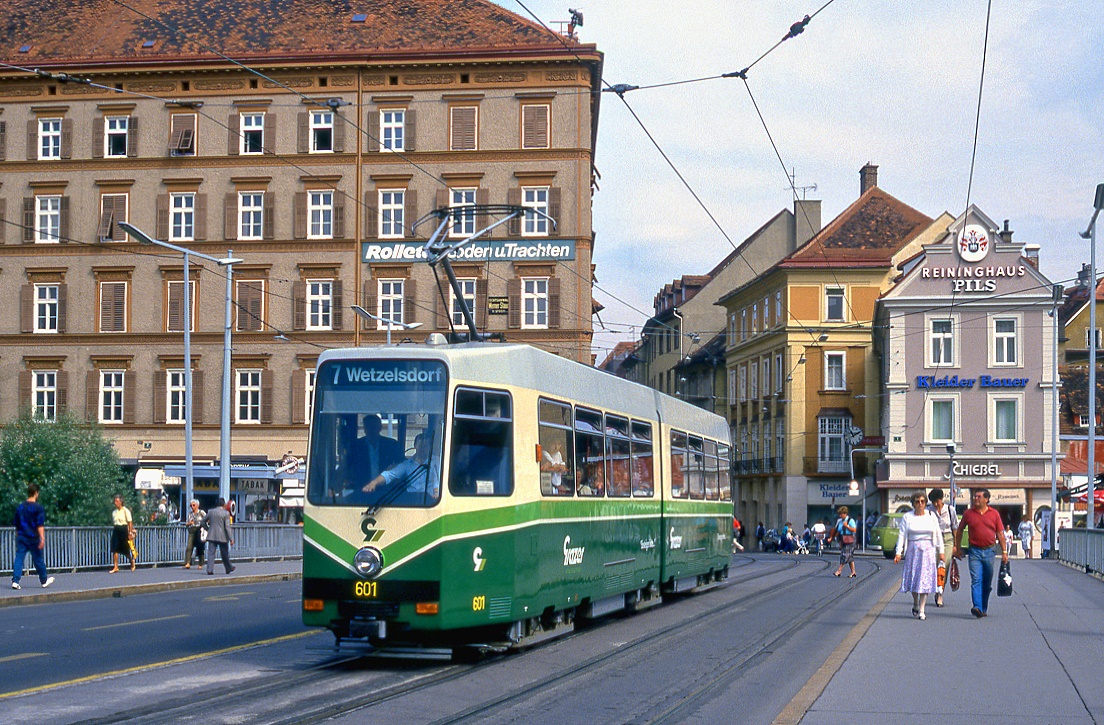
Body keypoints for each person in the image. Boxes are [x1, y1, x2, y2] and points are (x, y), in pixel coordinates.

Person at [954, 488, 1009, 618]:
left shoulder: (994, 514)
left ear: (986, 499)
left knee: (986, 581)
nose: (976, 499)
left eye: (979, 497)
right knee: (976, 579)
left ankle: (983, 607)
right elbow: (960, 530)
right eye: (975, 496)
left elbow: (1000, 533)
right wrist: (957, 547)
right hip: (974, 551)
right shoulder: (968, 513)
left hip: (989, 551)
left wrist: (1004, 552)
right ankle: (977, 607)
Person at [895, 491, 944, 620]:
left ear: (925, 503)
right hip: (913, 550)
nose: (920, 504)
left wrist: (941, 551)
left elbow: (938, 534)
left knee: (925, 579)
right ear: (913, 504)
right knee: (914, 579)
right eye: (917, 502)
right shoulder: (907, 517)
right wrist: (898, 552)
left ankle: (922, 609)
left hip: (928, 551)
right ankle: (915, 602)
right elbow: (902, 535)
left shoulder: (931, 516)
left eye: (922, 501)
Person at [362, 433, 440, 502]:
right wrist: (373, 483)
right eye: (420, 446)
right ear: (415, 446)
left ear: (430, 447)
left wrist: (436, 492)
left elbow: (438, 481)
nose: (422, 449)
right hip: (412, 502)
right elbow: (389, 475)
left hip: (431, 502)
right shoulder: (407, 465)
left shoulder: (437, 462)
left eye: (425, 446)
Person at [342, 414, 404, 498]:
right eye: (368, 427)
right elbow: (346, 467)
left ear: (380, 428)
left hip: (387, 492)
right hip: (362, 491)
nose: (371, 429)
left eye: (374, 427)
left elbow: (402, 466)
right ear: (364, 429)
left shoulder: (391, 445)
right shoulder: (355, 446)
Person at [11, 483, 55, 590]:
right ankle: (43, 580)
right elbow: (40, 524)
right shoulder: (38, 508)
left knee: (19, 558)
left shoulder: (21, 507)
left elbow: (17, 522)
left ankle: (15, 581)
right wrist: (42, 538)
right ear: (36, 493)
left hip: (22, 536)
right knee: (38, 559)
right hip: (33, 537)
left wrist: (18, 534)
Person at [926, 488, 957, 607]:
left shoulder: (950, 510)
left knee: (945, 566)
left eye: (937, 501)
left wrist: (956, 545)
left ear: (941, 499)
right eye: (933, 502)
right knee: (934, 566)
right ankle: (933, 588)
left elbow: (955, 527)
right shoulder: (929, 511)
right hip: (933, 540)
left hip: (948, 539)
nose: (935, 504)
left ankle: (940, 593)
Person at [204, 498, 236, 575]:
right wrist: (231, 538)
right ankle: (228, 567)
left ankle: (209, 569)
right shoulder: (226, 513)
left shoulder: (211, 512)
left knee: (211, 553)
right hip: (222, 536)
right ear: (224, 504)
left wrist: (207, 528)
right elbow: (227, 527)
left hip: (212, 535)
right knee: (224, 553)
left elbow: (202, 521)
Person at [109, 495, 135, 573]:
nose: (115, 503)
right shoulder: (114, 512)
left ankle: (131, 562)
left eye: (117, 501)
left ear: (121, 502)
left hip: (123, 529)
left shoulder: (125, 511)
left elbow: (130, 522)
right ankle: (116, 567)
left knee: (125, 549)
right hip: (116, 529)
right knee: (114, 548)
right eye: (115, 501)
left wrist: (130, 532)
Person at [831, 506, 858, 577]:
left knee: (844, 554)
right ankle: (853, 572)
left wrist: (847, 526)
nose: (840, 516)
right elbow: (838, 530)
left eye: (841, 514)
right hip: (843, 539)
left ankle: (839, 571)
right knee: (849, 556)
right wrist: (832, 538)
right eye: (839, 514)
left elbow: (854, 530)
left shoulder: (850, 520)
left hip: (850, 540)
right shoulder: (840, 521)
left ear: (845, 513)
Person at [182, 500, 206, 569]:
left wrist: (203, 524)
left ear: (197, 505)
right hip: (192, 530)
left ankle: (201, 563)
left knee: (200, 547)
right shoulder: (190, 514)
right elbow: (186, 523)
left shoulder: (201, 512)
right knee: (189, 546)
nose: (192, 507)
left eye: (193, 505)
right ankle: (187, 562)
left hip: (199, 530)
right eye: (191, 505)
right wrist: (189, 523)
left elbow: (207, 519)